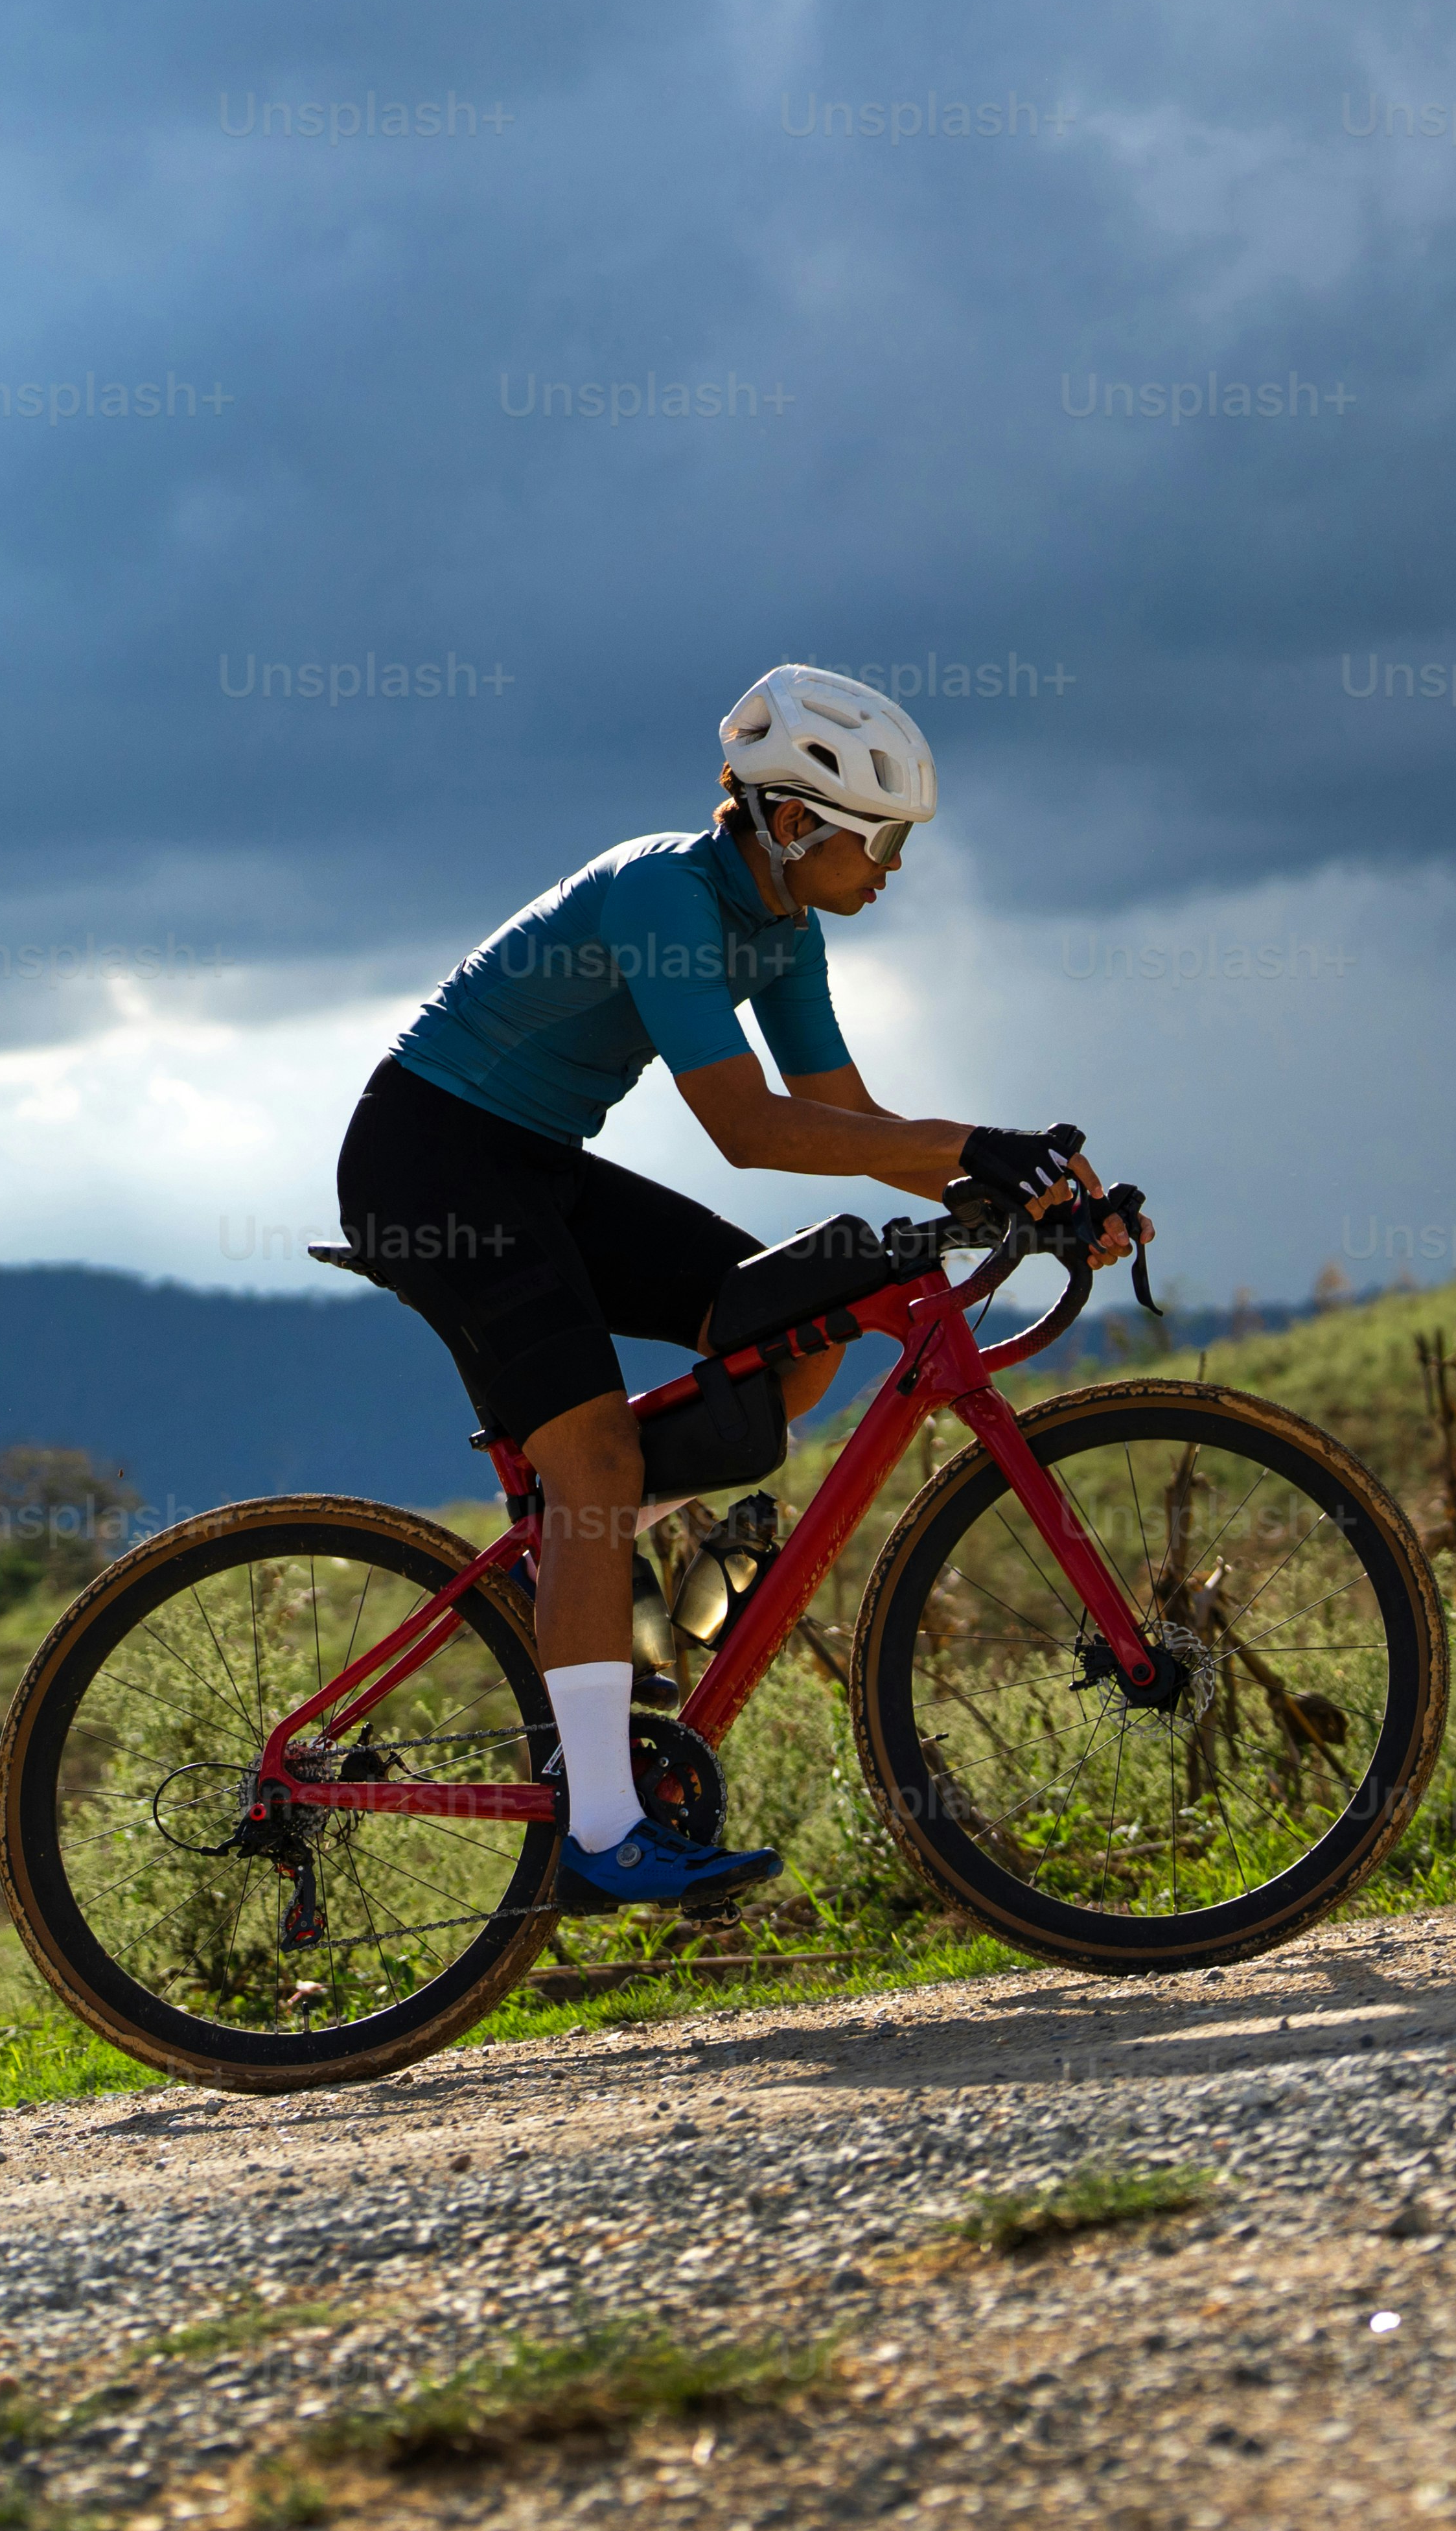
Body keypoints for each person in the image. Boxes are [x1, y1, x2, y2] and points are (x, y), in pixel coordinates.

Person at [330, 665, 1130, 1911]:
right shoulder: (664, 889)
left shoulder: (785, 928)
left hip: (532, 1166)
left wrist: (1032, 1187)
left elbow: (850, 1118)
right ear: (797, 821)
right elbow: (752, 1128)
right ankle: (602, 1831)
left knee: (799, 1320)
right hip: (428, 1161)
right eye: (885, 840)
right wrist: (974, 1149)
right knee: (595, 1458)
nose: (897, 868)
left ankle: (584, 1560)